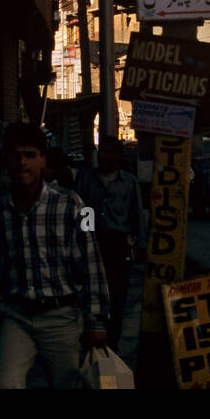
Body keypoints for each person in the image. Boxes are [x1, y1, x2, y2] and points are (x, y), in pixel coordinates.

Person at [0, 123, 109, 389]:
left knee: (67, 383)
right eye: (15, 155)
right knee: (4, 383)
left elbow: (91, 264)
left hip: (61, 317)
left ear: (43, 159)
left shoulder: (70, 205)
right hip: (16, 316)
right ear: (6, 160)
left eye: (30, 155)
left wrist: (96, 321)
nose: (22, 162)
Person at [74, 136, 144, 345]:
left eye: (109, 152)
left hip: (117, 244)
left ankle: (112, 343)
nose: (104, 156)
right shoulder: (85, 179)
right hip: (91, 242)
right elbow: (78, 212)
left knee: (116, 295)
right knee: (89, 294)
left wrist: (140, 245)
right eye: (101, 151)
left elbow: (136, 215)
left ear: (118, 156)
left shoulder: (129, 182)